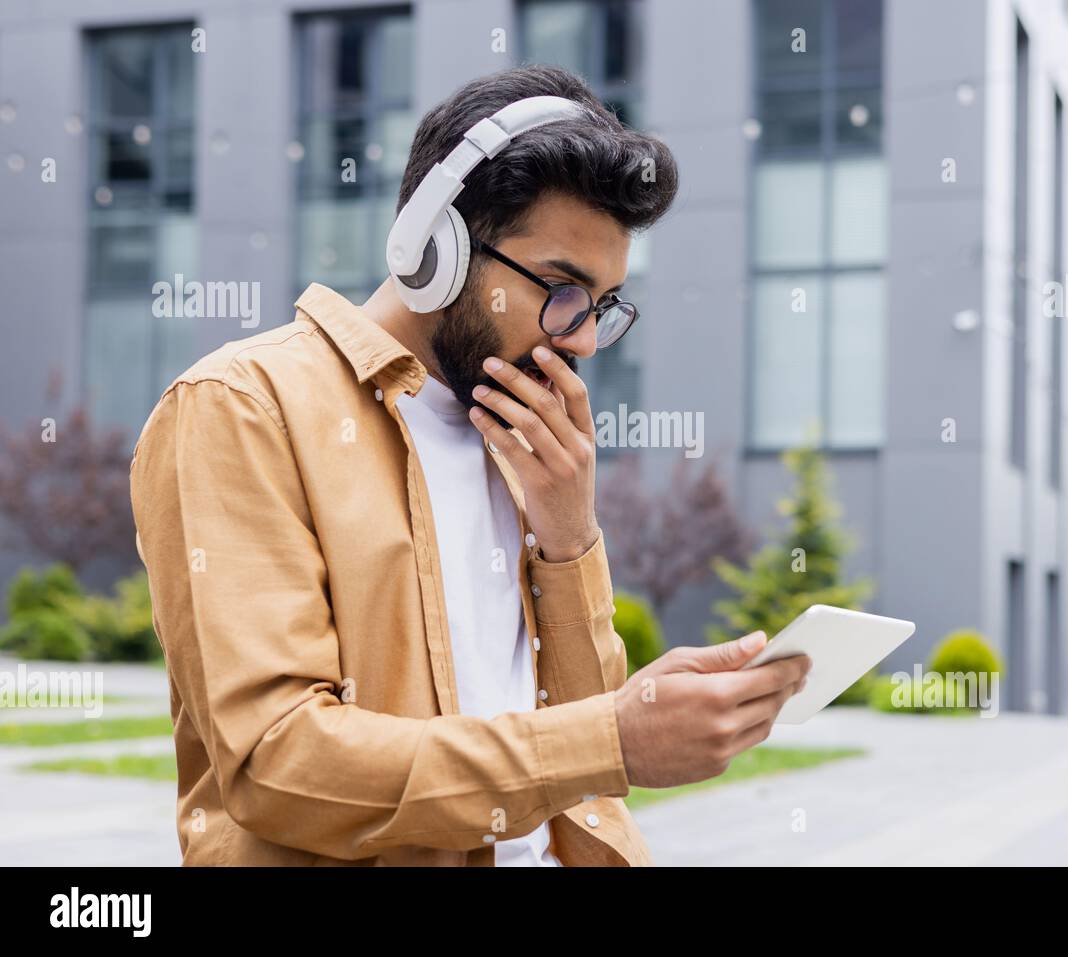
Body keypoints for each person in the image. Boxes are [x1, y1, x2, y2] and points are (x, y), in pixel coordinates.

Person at [130, 64, 809, 867]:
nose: (584, 338)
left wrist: (569, 537)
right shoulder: (241, 407)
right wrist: (614, 738)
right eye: (561, 288)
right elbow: (278, 762)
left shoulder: (517, 425)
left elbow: (577, 744)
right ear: (433, 250)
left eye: (603, 305)